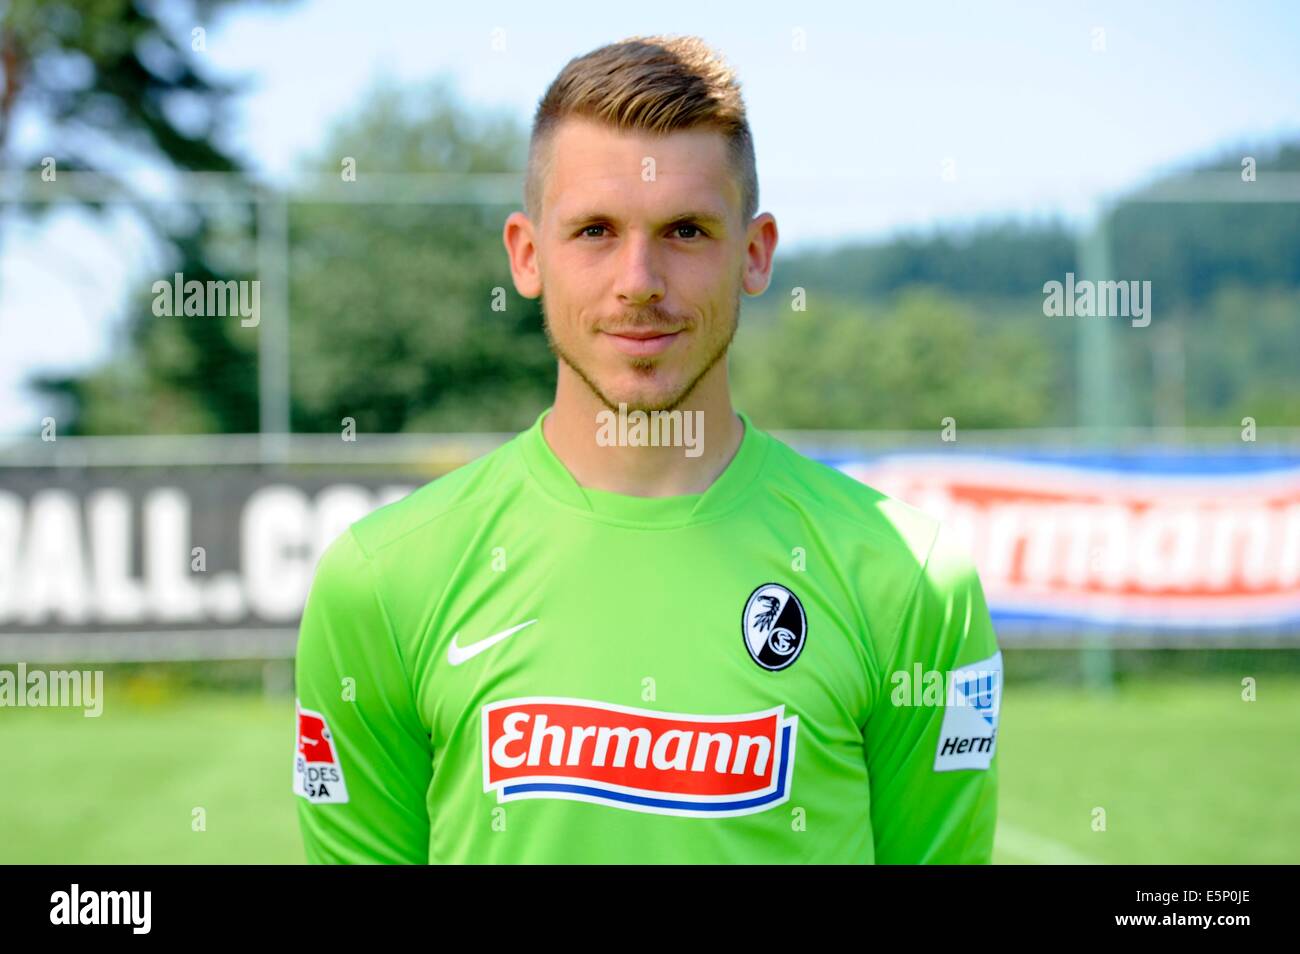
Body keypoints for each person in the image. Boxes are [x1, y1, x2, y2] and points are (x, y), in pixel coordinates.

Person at [294, 34, 1001, 864]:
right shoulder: (380, 581)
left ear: (755, 252)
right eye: (595, 230)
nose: (639, 280)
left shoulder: (911, 579)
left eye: (687, 231)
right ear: (526, 256)